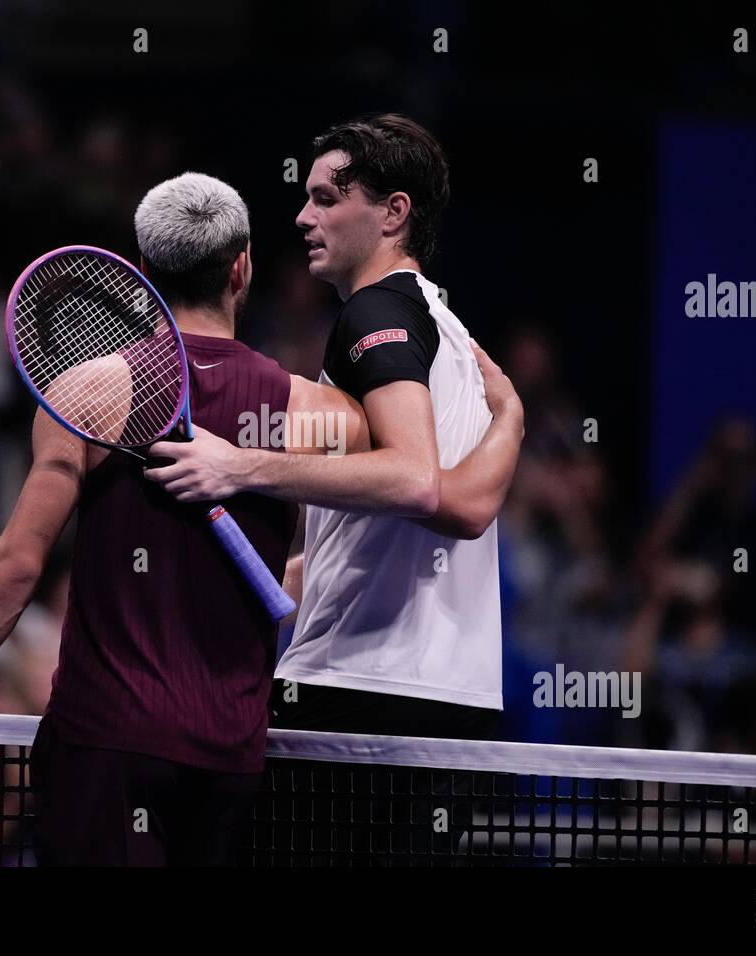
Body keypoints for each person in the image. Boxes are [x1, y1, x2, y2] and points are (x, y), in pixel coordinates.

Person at [0, 173, 368, 866]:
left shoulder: (84, 393)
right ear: (242, 265)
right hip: (229, 755)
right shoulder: (316, 413)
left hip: (104, 746)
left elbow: (17, 563)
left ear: (139, 273)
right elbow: (398, 511)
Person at [146, 115, 525, 740]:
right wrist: (512, 420)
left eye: (326, 198)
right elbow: (463, 504)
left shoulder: (374, 310)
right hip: (456, 696)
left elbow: (412, 480)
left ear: (393, 213)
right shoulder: (450, 331)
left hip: (354, 686)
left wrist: (239, 465)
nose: (302, 216)